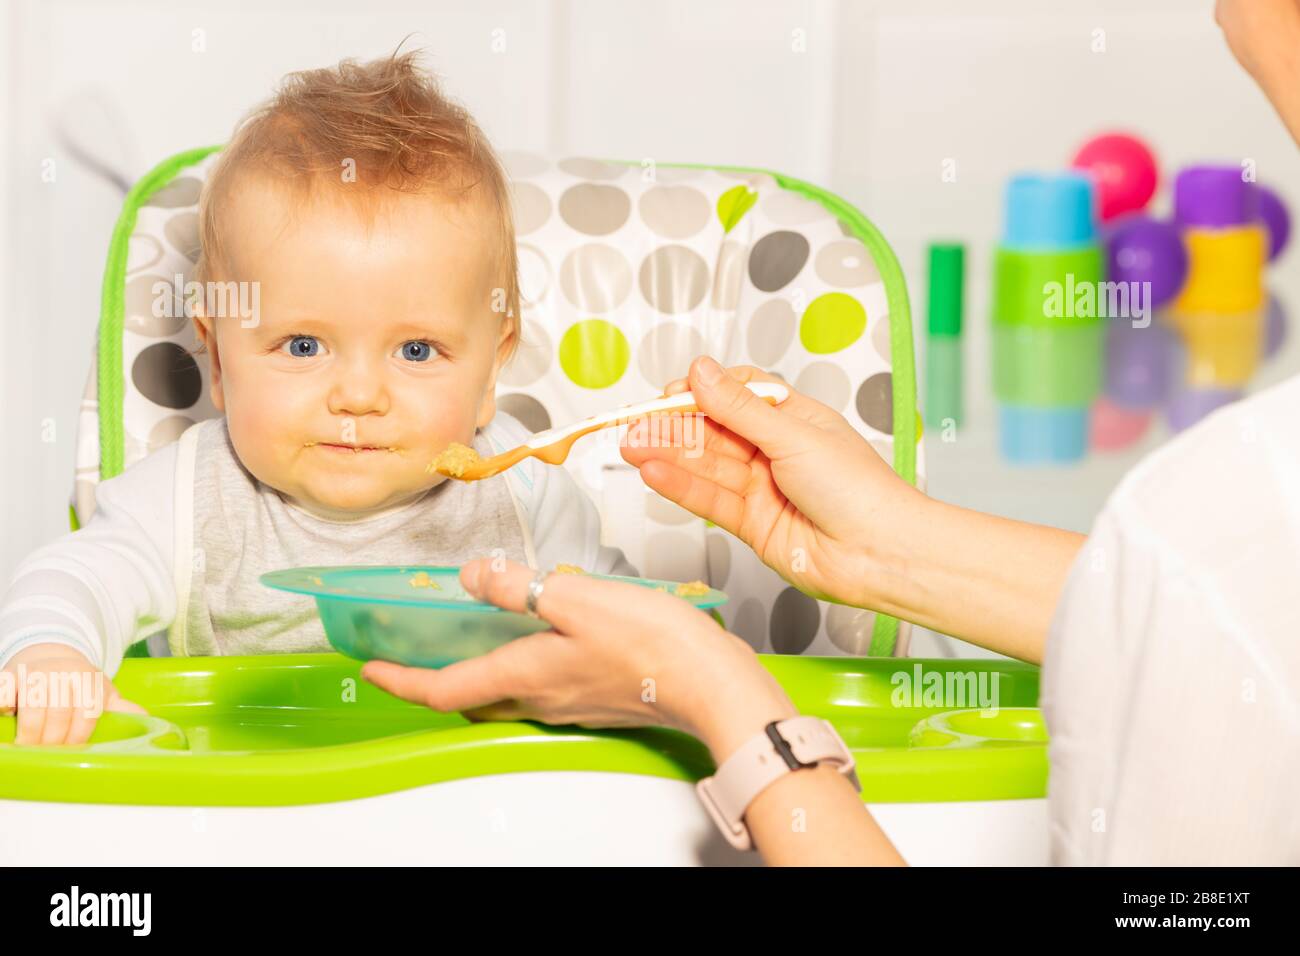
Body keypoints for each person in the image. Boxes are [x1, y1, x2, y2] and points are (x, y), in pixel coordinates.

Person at [363, 1, 1300, 865]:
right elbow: (1213, 621)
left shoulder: (1229, 503)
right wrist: (882, 547)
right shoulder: (1218, 534)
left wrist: (711, 688)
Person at [0, 51, 634, 746]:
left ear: (489, 376)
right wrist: (53, 657)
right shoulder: (186, 500)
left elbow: (629, 625)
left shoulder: (525, 489)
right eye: (303, 346)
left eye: (416, 351)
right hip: (247, 813)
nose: (359, 396)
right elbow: (72, 579)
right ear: (218, 360)